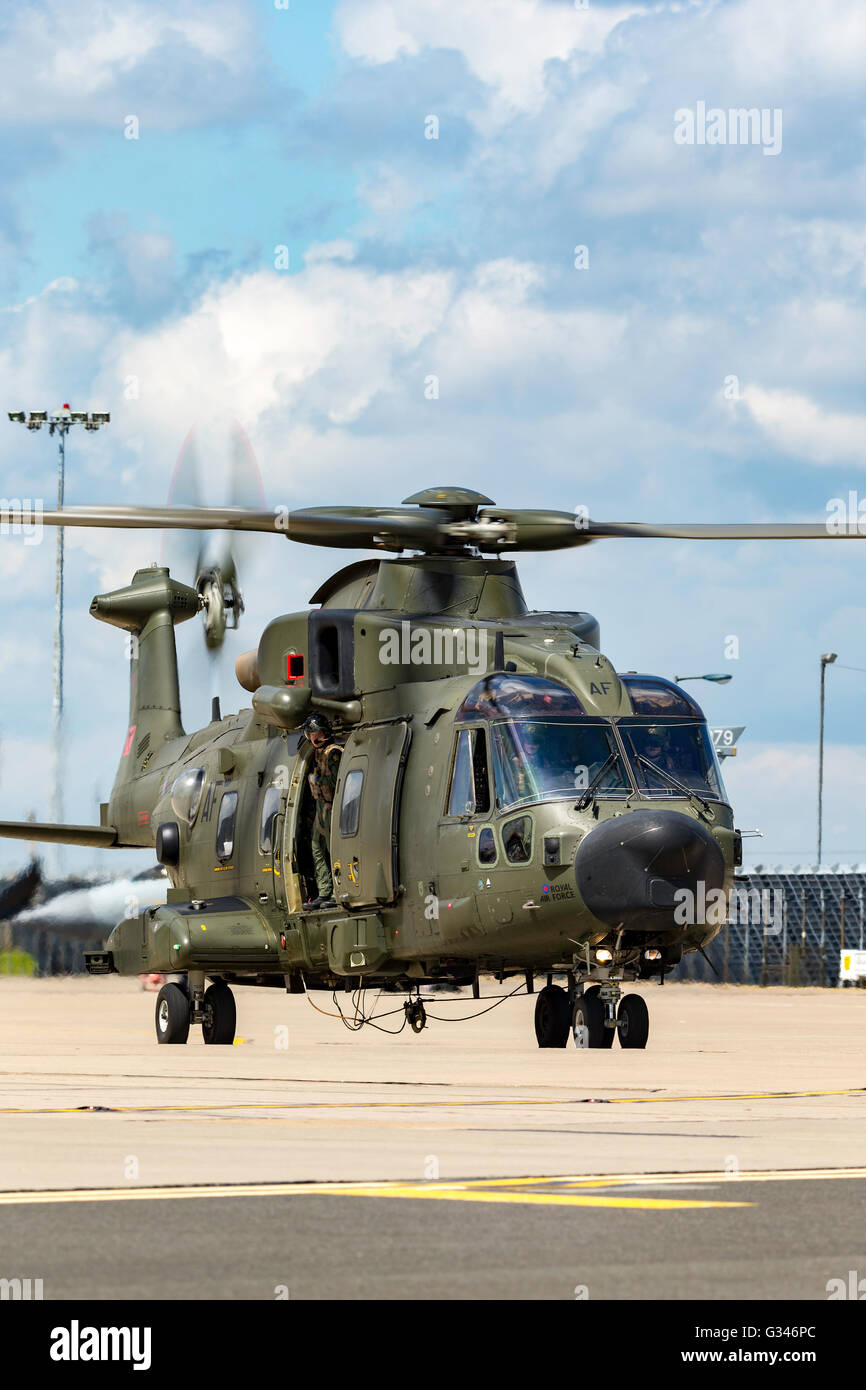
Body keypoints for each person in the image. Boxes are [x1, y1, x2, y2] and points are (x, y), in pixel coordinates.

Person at [302, 713, 344, 909]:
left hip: (332, 805)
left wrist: (319, 781)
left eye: (316, 734)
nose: (313, 739)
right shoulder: (319, 753)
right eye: (311, 735)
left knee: (333, 849)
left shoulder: (333, 753)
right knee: (316, 847)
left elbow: (338, 780)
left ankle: (339, 890)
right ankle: (325, 891)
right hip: (322, 807)